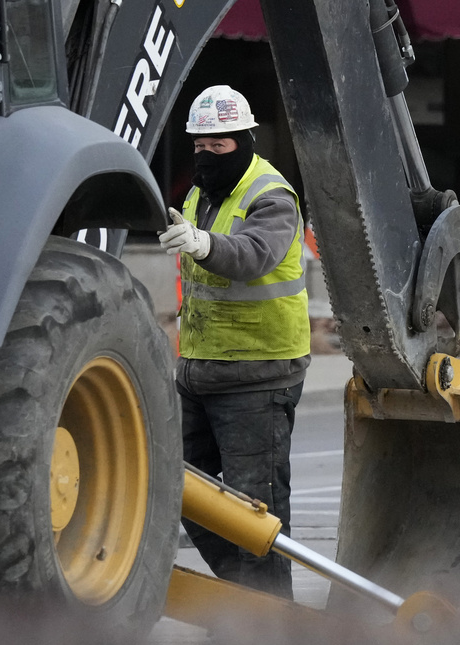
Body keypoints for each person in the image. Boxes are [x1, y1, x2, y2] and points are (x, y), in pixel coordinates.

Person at [159, 85, 310, 600]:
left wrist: (203, 244)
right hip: (200, 369)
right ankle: (248, 600)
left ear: (243, 140)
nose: (206, 156)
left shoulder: (271, 194)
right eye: (199, 146)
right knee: (171, 487)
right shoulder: (201, 192)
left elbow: (252, 256)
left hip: (259, 374)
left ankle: (269, 632)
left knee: (256, 513)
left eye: (217, 147)